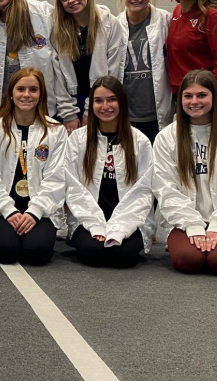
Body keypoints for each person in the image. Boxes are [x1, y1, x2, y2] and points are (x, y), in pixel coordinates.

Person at [153, 70, 217, 276]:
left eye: (201, 95)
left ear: (214, 97)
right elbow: (165, 188)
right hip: (185, 219)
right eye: (188, 96)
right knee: (187, 261)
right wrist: (191, 224)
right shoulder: (167, 137)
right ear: (180, 98)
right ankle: (187, 240)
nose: (194, 101)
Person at [0, 67, 66, 265]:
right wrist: (8, 210)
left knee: (36, 253)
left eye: (33, 90)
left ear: (41, 94)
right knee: (5, 251)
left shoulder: (56, 131)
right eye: (21, 89)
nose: (26, 95)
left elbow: (57, 178)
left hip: (40, 209)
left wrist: (34, 212)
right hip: (2, 208)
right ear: (11, 93)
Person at [65, 76, 153, 268]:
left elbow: (143, 191)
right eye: (98, 101)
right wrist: (94, 224)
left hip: (128, 218)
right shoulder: (78, 139)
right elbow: (73, 187)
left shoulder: (139, 141)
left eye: (111, 99)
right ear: (92, 104)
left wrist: (121, 228)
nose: (105, 106)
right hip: (88, 217)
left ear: (122, 102)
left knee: (123, 255)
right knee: (92, 252)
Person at [0, 0, 73, 121]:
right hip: (1, 108)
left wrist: (68, 110)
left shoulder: (43, 14)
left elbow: (61, 65)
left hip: (41, 106)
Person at [51, 0, 119, 133]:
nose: (71, 0)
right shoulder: (57, 30)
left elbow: (114, 68)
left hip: (102, 101)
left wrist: (92, 109)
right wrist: (68, 113)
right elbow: (57, 75)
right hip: (70, 103)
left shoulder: (109, 23)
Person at [111, 0, 171, 144]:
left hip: (156, 113)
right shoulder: (114, 26)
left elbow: (187, 48)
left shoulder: (165, 20)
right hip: (126, 113)